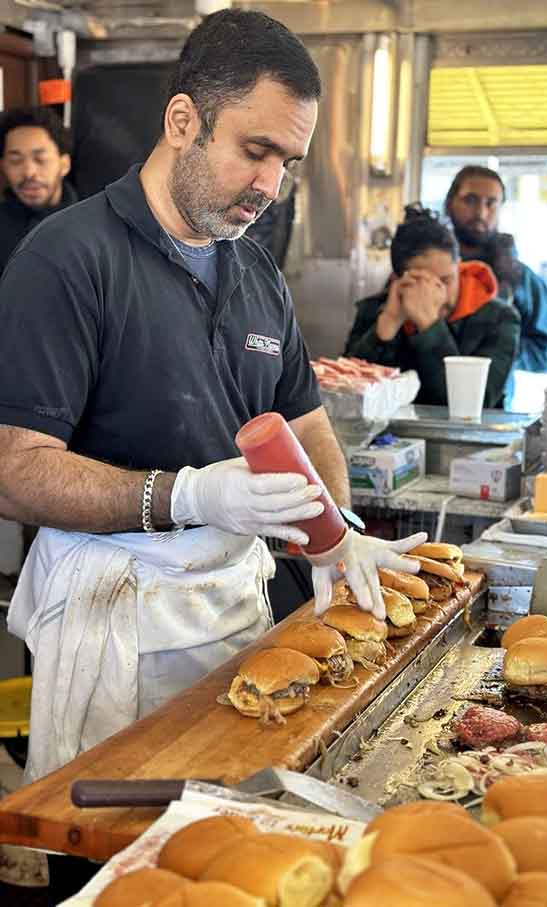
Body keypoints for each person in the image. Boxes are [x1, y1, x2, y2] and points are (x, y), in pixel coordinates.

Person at [0, 9, 424, 784]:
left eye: (288, 161)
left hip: (235, 612)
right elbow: (17, 470)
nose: (270, 184)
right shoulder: (68, 259)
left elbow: (306, 421)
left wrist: (334, 535)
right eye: (255, 151)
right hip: (112, 618)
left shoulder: (254, 271)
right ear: (183, 119)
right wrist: (188, 493)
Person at [344, 204, 520, 408]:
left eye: (446, 280)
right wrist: (387, 326)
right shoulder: (374, 310)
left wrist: (429, 325)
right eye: (423, 283)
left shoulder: (499, 319)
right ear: (398, 279)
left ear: (459, 266)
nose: (438, 294)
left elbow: (473, 403)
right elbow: (349, 396)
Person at [444, 165, 547, 405]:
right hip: (421, 406)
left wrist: (501, 348)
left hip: (492, 410)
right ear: (450, 203)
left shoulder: (517, 277)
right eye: (470, 200)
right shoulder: (424, 267)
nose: (480, 211)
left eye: (491, 203)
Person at [0, 106, 77, 272]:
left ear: (64, 164)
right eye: (15, 160)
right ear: (3, 166)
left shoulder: (93, 221)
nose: (29, 172)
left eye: (40, 159)